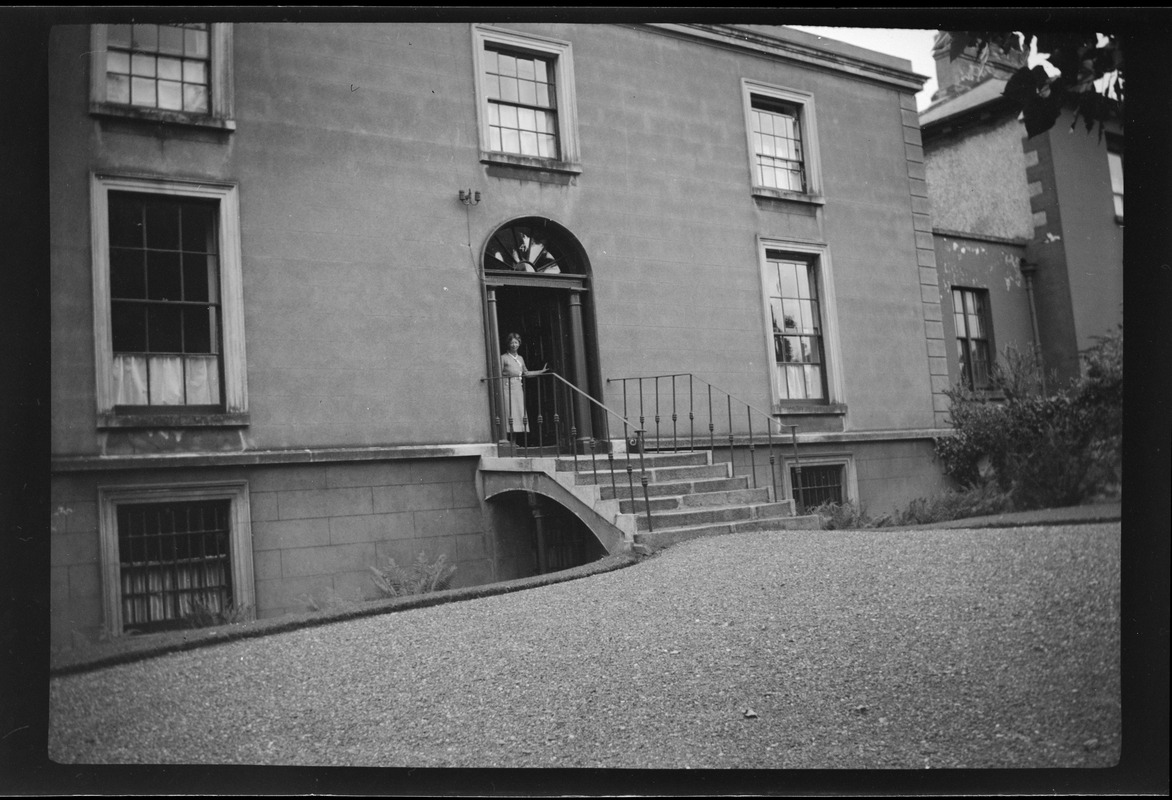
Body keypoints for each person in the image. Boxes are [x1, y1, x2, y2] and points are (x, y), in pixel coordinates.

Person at [500, 333, 548, 440]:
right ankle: (507, 441)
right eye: (512, 342)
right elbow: (499, 375)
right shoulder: (503, 358)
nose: (514, 345)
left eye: (516, 342)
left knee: (518, 413)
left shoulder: (520, 358)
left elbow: (525, 373)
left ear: (519, 344)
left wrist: (540, 371)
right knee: (509, 413)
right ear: (508, 344)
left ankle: (514, 441)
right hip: (507, 389)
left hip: (518, 388)